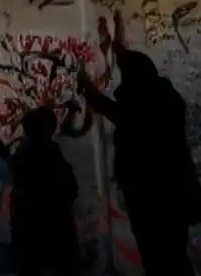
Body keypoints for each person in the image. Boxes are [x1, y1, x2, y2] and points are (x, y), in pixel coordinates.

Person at [80, 50, 201, 275]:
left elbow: (120, 114)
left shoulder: (145, 104)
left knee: (158, 256)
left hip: (151, 195)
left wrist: (87, 87)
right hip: (173, 194)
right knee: (172, 255)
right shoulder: (163, 99)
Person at [0, 108, 78, 276]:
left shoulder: (25, 152)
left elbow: (9, 171)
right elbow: (70, 186)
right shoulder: (52, 151)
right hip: (54, 222)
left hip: (30, 223)